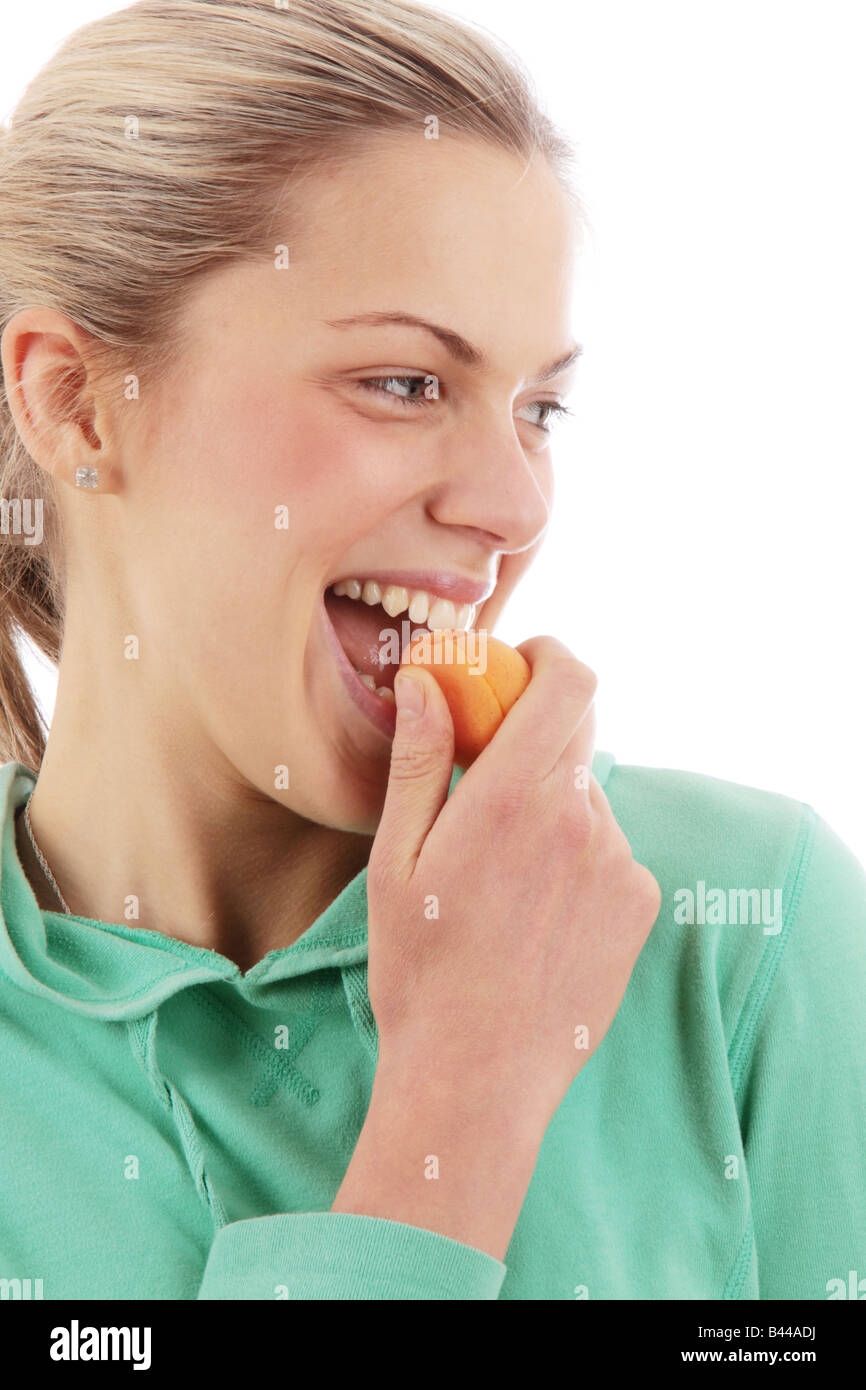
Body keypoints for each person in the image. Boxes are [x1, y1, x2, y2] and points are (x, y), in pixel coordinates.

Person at [0, 0, 863, 1302]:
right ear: (76, 402)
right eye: (406, 383)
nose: (513, 506)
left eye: (537, 407)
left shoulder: (736, 928)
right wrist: (451, 1117)